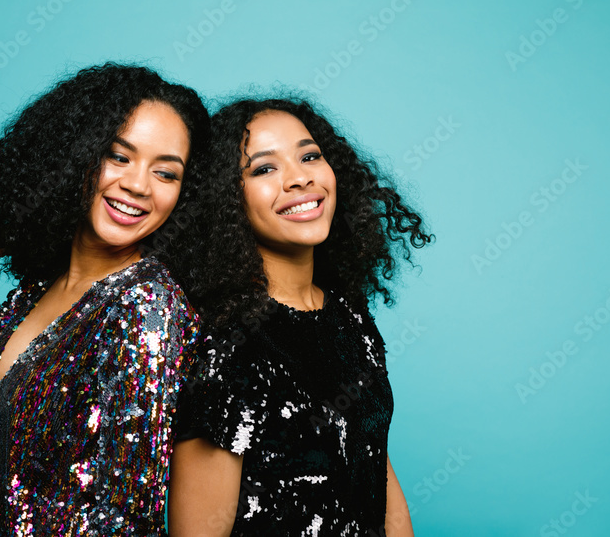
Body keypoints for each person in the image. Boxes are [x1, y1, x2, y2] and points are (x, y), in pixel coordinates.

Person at [0, 63, 209, 536]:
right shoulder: (38, 294)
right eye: (119, 157)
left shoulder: (148, 309)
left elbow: (121, 514)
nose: (139, 185)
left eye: (166, 173)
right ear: (74, 157)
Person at [167, 96, 433, 536]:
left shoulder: (350, 319)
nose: (299, 178)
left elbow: (374, 470)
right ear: (226, 200)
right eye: (264, 169)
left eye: (309, 156)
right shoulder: (228, 347)